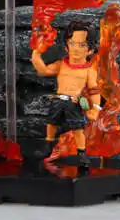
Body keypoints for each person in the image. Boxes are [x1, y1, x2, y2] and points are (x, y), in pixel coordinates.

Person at [31, 20, 101, 168]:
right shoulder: (61, 65)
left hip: (74, 102)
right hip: (58, 99)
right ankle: (48, 145)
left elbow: (94, 90)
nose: (76, 49)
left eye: (82, 45)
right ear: (66, 47)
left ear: (90, 50)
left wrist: (95, 109)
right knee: (51, 123)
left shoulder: (89, 71)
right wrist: (36, 53)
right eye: (72, 43)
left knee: (78, 128)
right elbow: (43, 70)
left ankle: (82, 153)